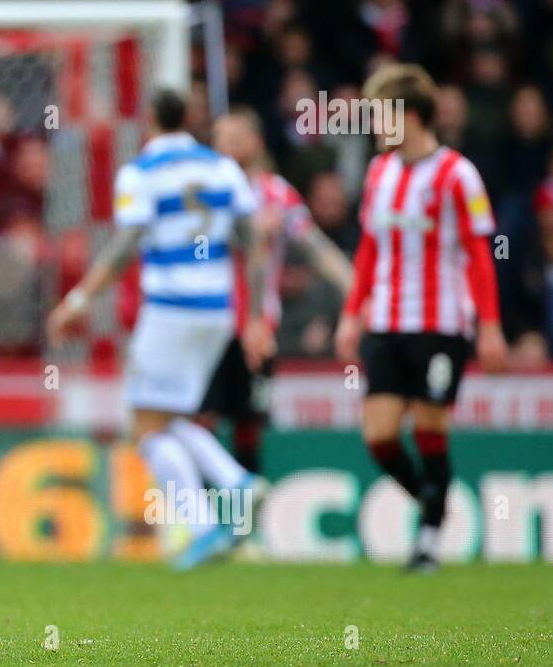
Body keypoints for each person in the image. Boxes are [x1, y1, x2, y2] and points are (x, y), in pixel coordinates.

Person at [47, 90, 273, 569]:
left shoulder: (142, 173)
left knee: (145, 425)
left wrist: (80, 299)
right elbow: (252, 247)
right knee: (168, 416)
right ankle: (235, 485)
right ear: (188, 119)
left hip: (170, 306)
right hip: (218, 309)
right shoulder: (223, 168)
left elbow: (127, 242)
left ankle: (208, 516)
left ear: (149, 118)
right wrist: (252, 316)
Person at [335, 63, 507, 573]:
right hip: (386, 322)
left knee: (430, 424)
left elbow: (480, 255)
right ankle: (435, 502)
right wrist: (351, 313)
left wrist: (492, 326)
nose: (373, 122)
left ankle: (428, 538)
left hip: (441, 324)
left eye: (380, 111)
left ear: (409, 114)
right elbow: (369, 248)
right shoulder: (378, 172)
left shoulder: (458, 174)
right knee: (380, 435)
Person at [202, 108, 353, 474]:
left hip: (259, 327)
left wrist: (357, 290)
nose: (229, 146)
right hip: (208, 324)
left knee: (249, 421)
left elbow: (315, 249)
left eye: (236, 137)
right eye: (222, 139)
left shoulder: (276, 195)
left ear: (257, 142)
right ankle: (201, 519)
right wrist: (244, 234)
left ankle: (244, 522)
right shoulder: (204, 194)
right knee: (202, 420)